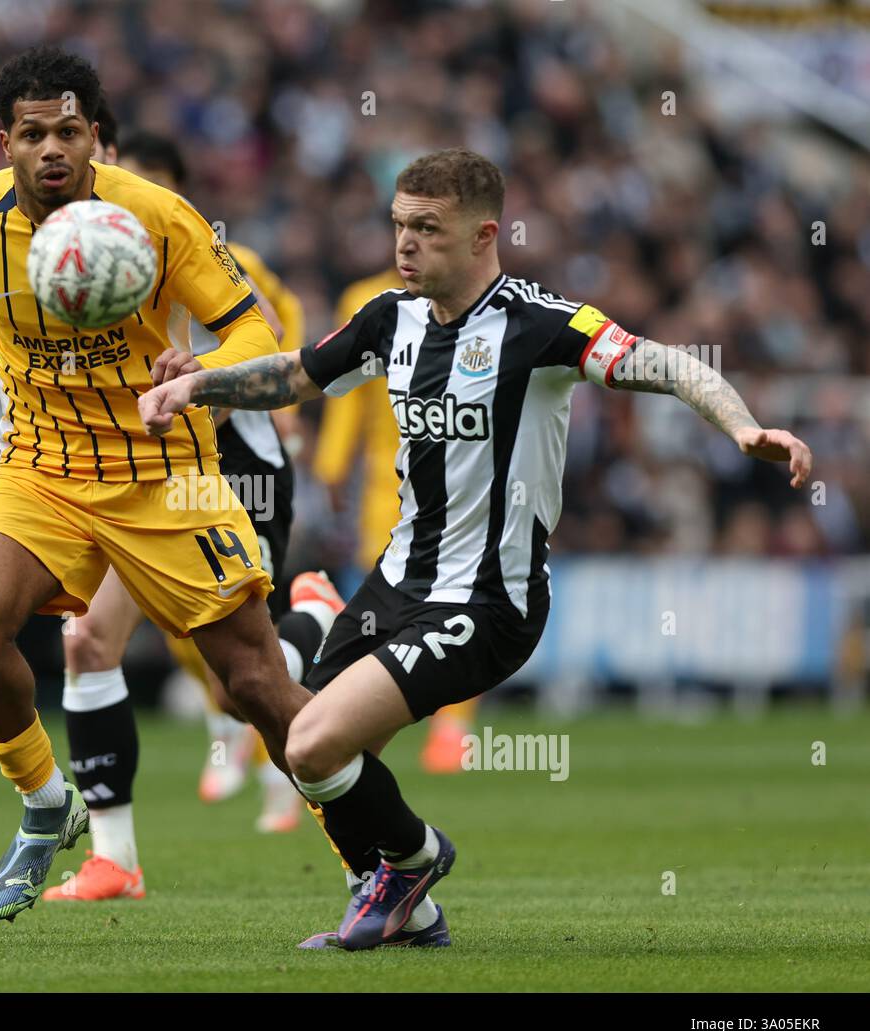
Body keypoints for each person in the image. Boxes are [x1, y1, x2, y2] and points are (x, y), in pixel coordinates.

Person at [139, 147, 813, 950]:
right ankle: (413, 915)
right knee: (304, 752)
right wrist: (196, 385)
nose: (405, 245)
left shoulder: (542, 326)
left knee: (315, 743)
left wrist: (743, 426)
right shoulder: (391, 318)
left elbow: (663, 364)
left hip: (489, 602)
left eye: (427, 229)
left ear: (484, 234)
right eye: (398, 225)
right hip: (395, 584)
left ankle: (418, 858)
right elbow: (295, 375)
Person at [0, 46, 314, 923]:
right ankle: (47, 802)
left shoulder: (155, 216)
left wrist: (203, 371)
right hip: (40, 469)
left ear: (95, 139)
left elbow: (255, 333)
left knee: (253, 684)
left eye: (68, 131)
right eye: (32, 132)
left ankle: (380, 854)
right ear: (4, 141)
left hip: (164, 473)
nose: (51, 149)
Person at [47, 127, 332, 904]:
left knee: (245, 677)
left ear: (170, 190)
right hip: (134, 476)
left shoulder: (208, 255)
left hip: (230, 468)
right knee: (88, 641)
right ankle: (115, 861)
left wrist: (209, 368)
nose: (117, 196)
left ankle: (310, 627)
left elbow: (280, 354)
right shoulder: (77, 254)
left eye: (138, 181)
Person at [316, 268, 478, 774]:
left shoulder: (482, 304)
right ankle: (378, 712)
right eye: (405, 226)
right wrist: (333, 464)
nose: (412, 241)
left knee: (460, 601)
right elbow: (351, 391)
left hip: (463, 482)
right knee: (389, 609)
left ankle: (452, 726)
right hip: (390, 485)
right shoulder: (367, 301)